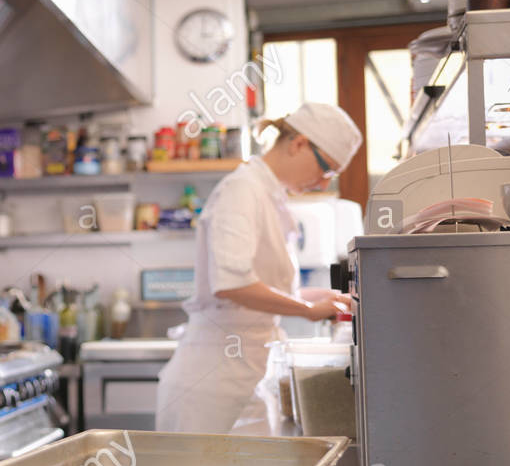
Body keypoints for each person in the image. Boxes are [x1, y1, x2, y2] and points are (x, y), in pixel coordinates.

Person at [155, 103, 363, 434]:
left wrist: (322, 297)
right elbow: (232, 285)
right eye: (327, 171)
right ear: (299, 144)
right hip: (212, 382)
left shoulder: (271, 196)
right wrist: (307, 309)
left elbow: (261, 288)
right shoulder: (241, 191)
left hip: (249, 371)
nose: (324, 184)